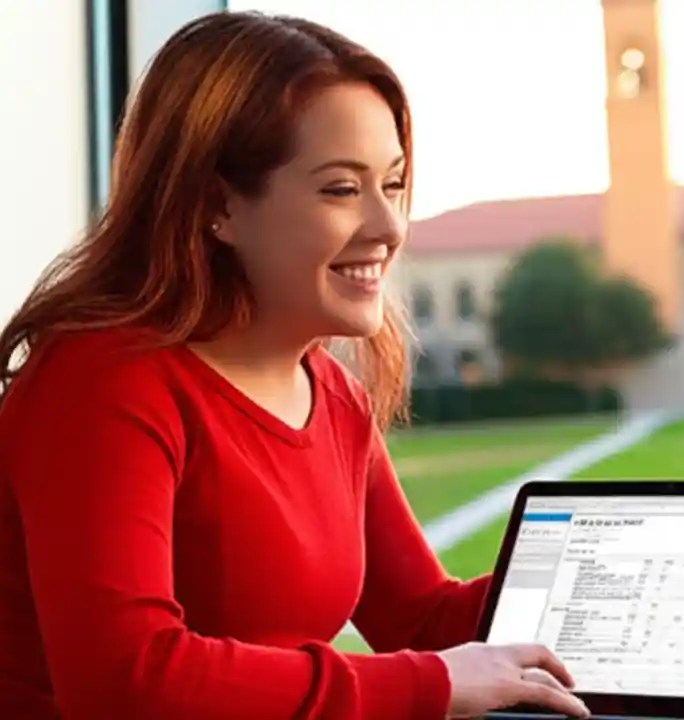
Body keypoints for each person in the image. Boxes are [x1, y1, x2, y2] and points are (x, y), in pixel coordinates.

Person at [0, 11, 589, 719]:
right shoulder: (102, 380)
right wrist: (430, 684)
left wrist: (620, 593)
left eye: (393, 185)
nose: (390, 226)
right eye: (342, 189)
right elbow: (126, 680)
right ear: (217, 205)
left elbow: (422, 618)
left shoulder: (333, 395)